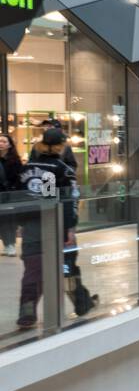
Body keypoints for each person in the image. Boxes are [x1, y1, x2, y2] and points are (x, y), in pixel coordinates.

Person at [14, 129, 80, 330]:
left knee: (32, 269)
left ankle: (27, 309)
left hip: (31, 227)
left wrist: (20, 222)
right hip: (55, 225)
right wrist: (70, 228)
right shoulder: (63, 169)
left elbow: (17, 195)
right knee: (64, 268)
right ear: (61, 146)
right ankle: (72, 306)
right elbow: (69, 199)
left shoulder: (27, 168)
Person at [0, 133, 22, 256]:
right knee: (1, 220)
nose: (1, 144)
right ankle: (6, 244)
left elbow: (19, 178)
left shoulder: (14, 160)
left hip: (10, 195)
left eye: (3, 141)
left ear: (9, 145)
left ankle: (11, 244)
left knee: (10, 220)